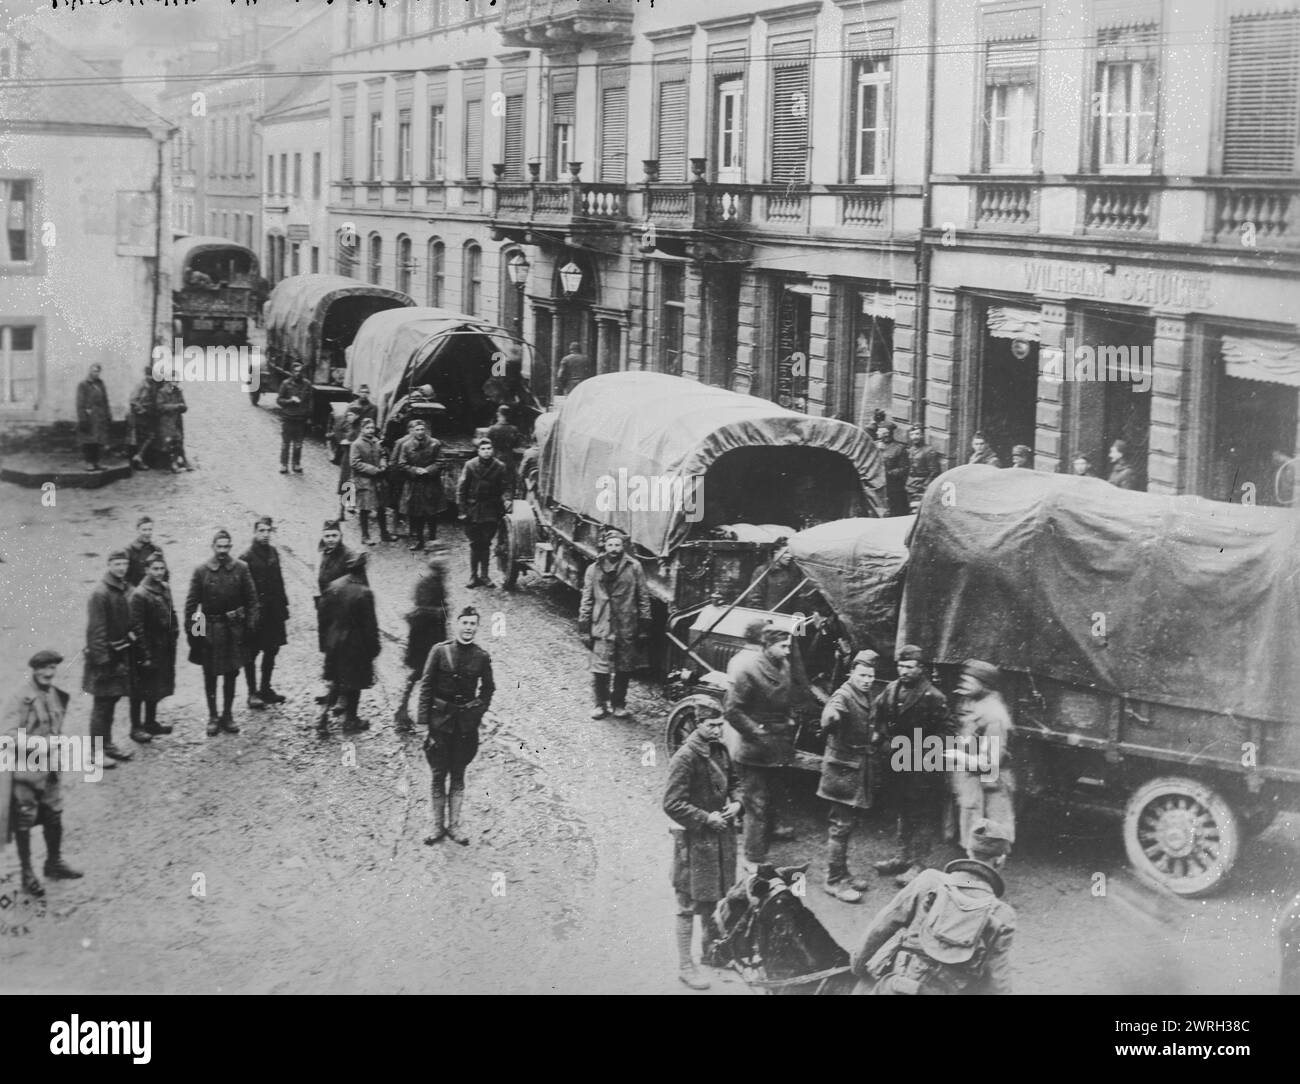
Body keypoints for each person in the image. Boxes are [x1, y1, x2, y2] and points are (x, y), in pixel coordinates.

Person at [849, 818, 1016, 995]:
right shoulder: (1002, 914)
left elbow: (882, 926)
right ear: (1000, 860)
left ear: (968, 850)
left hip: (895, 986)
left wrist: (858, 966)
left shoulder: (929, 881)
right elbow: (998, 983)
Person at [663, 705, 740, 990]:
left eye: (720, 724)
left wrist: (737, 802)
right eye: (711, 725)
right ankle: (686, 966)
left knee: (713, 897)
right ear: (698, 724)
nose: (718, 730)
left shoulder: (719, 750)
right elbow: (671, 804)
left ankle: (710, 953)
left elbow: (735, 782)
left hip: (719, 841)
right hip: (695, 844)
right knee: (686, 905)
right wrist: (706, 818)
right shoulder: (685, 757)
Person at [0, 650, 83, 897]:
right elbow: (7, 736)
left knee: (54, 816)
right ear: (34, 670)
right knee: (24, 821)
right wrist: (43, 745)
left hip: (50, 771)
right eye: (43, 668)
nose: (48, 673)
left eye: (52, 668)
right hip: (26, 772)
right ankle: (27, 874)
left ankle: (53, 863)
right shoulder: (20, 698)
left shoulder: (54, 694)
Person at [723, 625, 807, 869]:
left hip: (778, 744)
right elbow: (732, 710)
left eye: (789, 646)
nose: (787, 650)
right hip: (755, 750)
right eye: (782, 646)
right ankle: (752, 857)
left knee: (770, 801)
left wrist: (790, 717)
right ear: (767, 646)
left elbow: (787, 697)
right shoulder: (749, 671)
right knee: (756, 804)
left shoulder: (785, 666)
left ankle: (761, 849)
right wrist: (757, 733)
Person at [873, 644, 951, 887]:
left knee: (921, 814)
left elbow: (947, 733)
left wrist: (920, 750)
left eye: (909, 666)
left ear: (921, 669)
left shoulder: (934, 697)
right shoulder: (891, 689)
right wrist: (882, 739)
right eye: (900, 665)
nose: (903, 670)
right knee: (902, 810)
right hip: (897, 763)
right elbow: (879, 718)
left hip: (921, 767)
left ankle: (918, 864)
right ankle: (903, 856)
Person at [417, 606, 496, 846]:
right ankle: (437, 826)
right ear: (457, 625)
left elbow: (488, 688)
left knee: (459, 774)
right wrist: (422, 723)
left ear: (477, 627)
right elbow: (426, 687)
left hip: (465, 728)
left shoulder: (481, 657)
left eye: (473, 624)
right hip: (439, 725)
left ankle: (455, 826)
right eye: (465, 623)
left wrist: (477, 711)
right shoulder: (439, 652)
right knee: (439, 774)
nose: (469, 628)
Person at [818, 650, 880, 904]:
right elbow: (831, 713)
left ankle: (842, 872)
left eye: (871, 676)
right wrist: (830, 718)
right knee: (841, 826)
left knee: (847, 824)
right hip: (842, 768)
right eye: (862, 674)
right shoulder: (843, 694)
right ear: (851, 673)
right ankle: (834, 881)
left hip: (854, 767)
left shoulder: (862, 693)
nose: (866, 679)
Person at [185, 529, 259, 736]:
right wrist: (195, 636)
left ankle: (227, 714)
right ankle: (212, 716)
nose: (223, 551)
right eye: (219, 547)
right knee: (210, 674)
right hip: (210, 631)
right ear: (213, 547)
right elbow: (192, 608)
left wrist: (250, 627)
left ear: (231, 547)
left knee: (231, 673)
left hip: (234, 630)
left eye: (226, 547)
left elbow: (252, 600)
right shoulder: (201, 571)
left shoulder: (241, 569)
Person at [579, 528, 651, 719]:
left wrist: (644, 627)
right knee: (600, 669)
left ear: (623, 546)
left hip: (626, 625)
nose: (614, 549)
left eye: (617, 545)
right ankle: (599, 704)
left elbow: (643, 597)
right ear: (604, 546)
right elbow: (586, 600)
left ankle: (618, 704)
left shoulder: (634, 567)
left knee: (624, 668)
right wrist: (584, 628)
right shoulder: (593, 569)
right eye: (610, 545)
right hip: (602, 624)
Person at [948, 659, 1015, 853]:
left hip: (990, 787)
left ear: (984, 685)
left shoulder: (994, 716)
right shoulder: (977, 706)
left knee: (988, 843)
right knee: (975, 840)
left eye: (969, 681)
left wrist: (958, 757)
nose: (963, 684)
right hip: (976, 784)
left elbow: (990, 763)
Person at [83, 549, 138, 766]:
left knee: (112, 702)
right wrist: (103, 662)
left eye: (124, 564)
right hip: (105, 659)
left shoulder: (125, 588)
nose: (122, 568)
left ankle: (107, 745)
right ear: (109, 565)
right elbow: (96, 632)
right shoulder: (101, 593)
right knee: (102, 706)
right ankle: (95, 753)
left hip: (119, 655)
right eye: (117, 564)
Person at [318, 551, 380, 734]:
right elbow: (370, 626)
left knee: (336, 681)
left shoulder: (334, 586)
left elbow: (323, 616)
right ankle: (350, 721)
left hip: (334, 642)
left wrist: (325, 641)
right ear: (363, 569)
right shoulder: (364, 592)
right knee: (355, 683)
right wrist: (373, 649)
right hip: (355, 646)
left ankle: (322, 719)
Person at [395, 543, 449, 731]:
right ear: (429, 557)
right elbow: (420, 610)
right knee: (422, 673)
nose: (441, 557)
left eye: (444, 553)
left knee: (426, 674)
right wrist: (441, 612)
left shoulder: (439, 577)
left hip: (434, 635)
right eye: (437, 553)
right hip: (424, 637)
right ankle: (404, 712)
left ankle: (411, 712)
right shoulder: (427, 580)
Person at [127, 552, 178, 739]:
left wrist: (175, 632)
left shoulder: (165, 587)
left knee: (155, 686)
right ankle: (135, 727)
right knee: (139, 689)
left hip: (162, 647)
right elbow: (137, 627)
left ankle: (150, 722)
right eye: (154, 569)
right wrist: (145, 654)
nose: (158, 572)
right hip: (145, 649)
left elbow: (172, 613)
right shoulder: (139, 594)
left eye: (161, 568)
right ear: (146, 570)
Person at [240, 516, 289, 708]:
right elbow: (241, 589)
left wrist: (284, 606)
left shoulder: (274, 552)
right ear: (254, 532)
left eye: (268, 531)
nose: (266, 534)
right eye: (261, 531)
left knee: (272, 649)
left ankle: (265, 688)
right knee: (252, 652)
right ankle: (252, 693)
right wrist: (247, 614)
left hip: (273, 611)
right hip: (255, 614)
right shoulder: (246, 557)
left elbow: (279, 580)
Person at [457, 437, 509, 586]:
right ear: (478, 451)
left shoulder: (500, 466)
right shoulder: (470, 465)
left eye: (489, 449)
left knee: (486, 543)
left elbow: (506, 486)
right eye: (483, 449)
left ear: (493, 450)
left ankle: (485, 576)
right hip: (473, 510)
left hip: (491, 511)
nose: (486, 452)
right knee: (474, 543)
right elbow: (461, 489)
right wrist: (462, 510)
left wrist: (507, 499)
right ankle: (473, 576)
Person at [397, 419, 444, 552]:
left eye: (422, 429)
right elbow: (402, 464)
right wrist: (415, 470)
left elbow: (440, 461)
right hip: (414, 485)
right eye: (417, 429)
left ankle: (432, 540)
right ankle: (419, 540)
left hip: (431, 483)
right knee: (416, 514)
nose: (420, 432)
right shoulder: (406, 446)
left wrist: (428, 470)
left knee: (432, 514)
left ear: (426, 430)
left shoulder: (435, 444)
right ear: (413, 431)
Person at [350, 417, 393, 545]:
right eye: (367, 428)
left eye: (372, 428)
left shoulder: (377, 442)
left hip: (378, 481)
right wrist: (373, 469)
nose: (370, 430)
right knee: (364, 508)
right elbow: (354, 462)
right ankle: (365, 535)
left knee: (381, 507)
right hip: (364, 480)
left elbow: (383, 455)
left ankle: (384, 533)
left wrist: (383, 464)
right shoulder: (356, 444)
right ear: (362, 429)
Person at [276, 362, 313, 474]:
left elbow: (310, 402)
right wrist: (289, 401)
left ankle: (296, 464)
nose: (298, 373)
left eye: (300, 371)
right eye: (296, 371)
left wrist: (309, 416)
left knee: (298, 444)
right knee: (286, 443)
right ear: (292, 372)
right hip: (288, 418)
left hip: (301, 419)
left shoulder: (307, 384)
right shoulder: (286, 384)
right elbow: (279, 400)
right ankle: (284, 465)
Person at [75, 363, 112, 472]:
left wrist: (108, 414)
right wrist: (82, 419)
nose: (96, 373)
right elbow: (80, 403)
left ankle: (96, 462)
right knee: (88, 441)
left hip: (100, 417)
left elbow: (105, 401)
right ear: (89, 371)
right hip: (89, 417)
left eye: (98, 371)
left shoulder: (100, 384)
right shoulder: (83, 385)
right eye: (94, 371)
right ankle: (89, 463)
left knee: (98, 441)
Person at [154, 376, 191, 472]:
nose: (176, 382)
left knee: (179, 440)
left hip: (177, 420)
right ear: (168, 380)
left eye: (177, 380)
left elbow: (184, 406)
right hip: (167, 421)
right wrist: (176, 406)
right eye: (174, 380)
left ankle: (179, 461)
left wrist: (183, 407)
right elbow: (160, 406)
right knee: (171, 442)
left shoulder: (178, 391)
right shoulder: (162, 392)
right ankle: (174, 463)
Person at [487, 406, 524, 498]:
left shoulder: (492, 429)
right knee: (509, 484)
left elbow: (487, 445)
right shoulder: (514, 429)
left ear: (498, 414)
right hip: (509, 459)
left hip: (495, 458)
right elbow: (517, 446)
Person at [333, 405, 362, 522]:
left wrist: (350, 443)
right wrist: (343, 440)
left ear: (357, 416)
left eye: (351, 415)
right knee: (346, 482)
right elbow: (337, 430)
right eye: (348, 414)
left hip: (357, 458)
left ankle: (353, 505)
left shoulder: (361, 427)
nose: (348, 417)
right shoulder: (348, 425)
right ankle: (341, 511)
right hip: (347, 458)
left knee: (355, 482)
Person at [875, 422, 910, 517]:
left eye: (879, 430)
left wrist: (888, 473)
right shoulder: (874, 446)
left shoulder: (899, 448)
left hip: (893, 488)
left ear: (886, 433)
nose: (877, 432)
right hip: (876, 486)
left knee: (896, 514)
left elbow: (904, 468)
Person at [905, 425, 943, 511]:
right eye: (912, 434)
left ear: (922, 435)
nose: (915, 437)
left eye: (917, 434)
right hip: (910, 486)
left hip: (921, 487)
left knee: (918, 511)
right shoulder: (910, 450)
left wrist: (924, 487)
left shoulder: (929, 450)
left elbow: (934, 471)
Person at [128, 363, 158, 471]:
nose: (150, 377)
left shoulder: (152, 386)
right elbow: (133, 400)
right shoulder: (141, 385)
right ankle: (139, 459)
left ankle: (139, 457)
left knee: (149, 436)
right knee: (145, 437)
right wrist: (141, 410)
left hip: (149, 415)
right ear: (145, 375)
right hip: (141, 416)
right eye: (148, 375)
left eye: (151, 375)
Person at [124, 516, 165, 587]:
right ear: (138, 530)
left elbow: (165, 574)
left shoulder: (157, 549)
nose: (147, 533)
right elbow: (124, 578)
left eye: (150, 529)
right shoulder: (129, 550)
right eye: (144, 530)